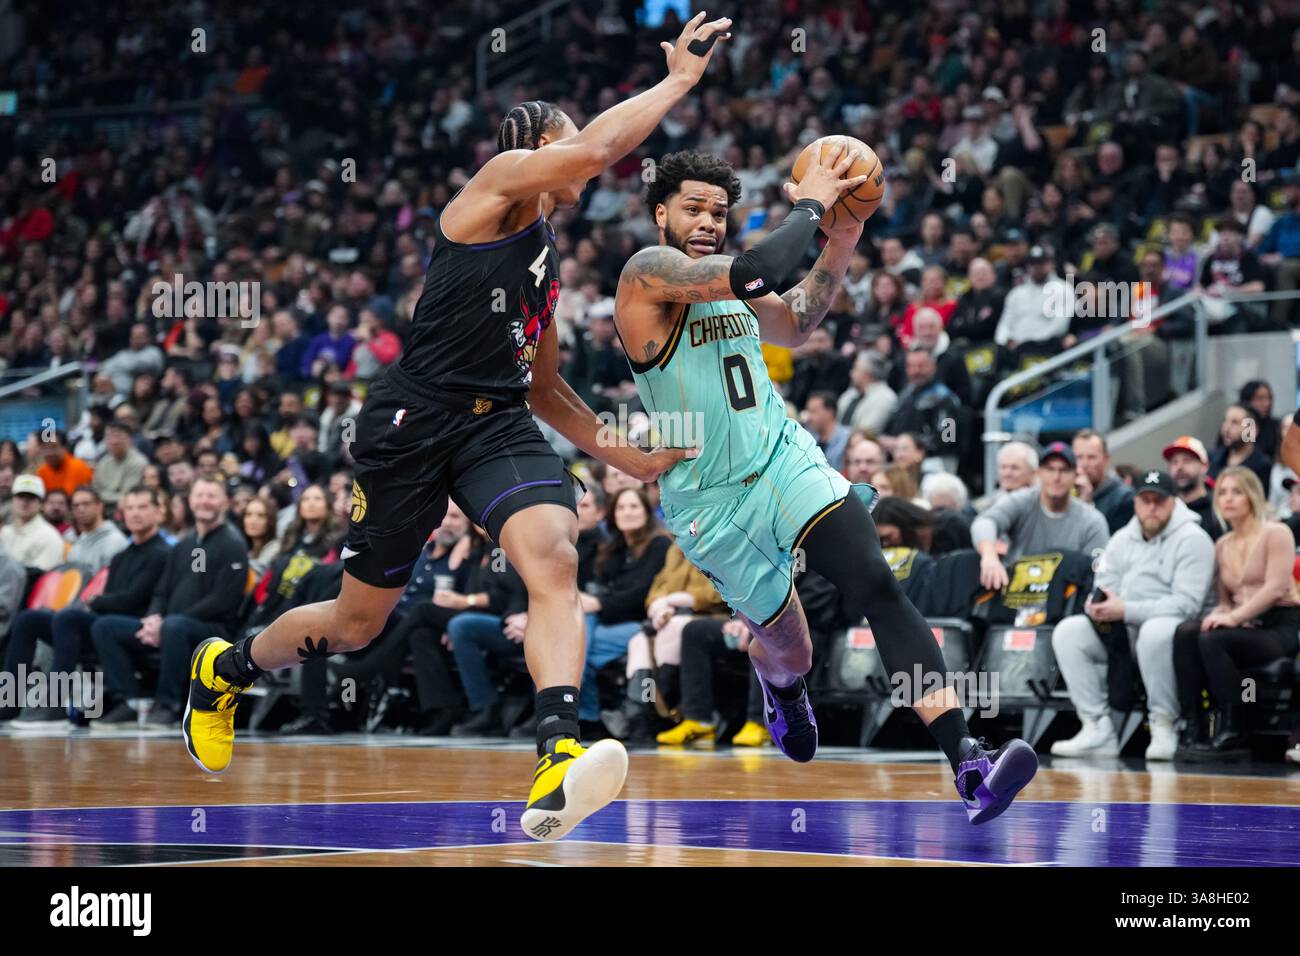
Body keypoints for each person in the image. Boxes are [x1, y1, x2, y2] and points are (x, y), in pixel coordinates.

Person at [182, 14, 731, 845]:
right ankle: (226, 666)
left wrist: (632, 458)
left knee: (553, 552)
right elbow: (589, 155)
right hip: (413, 419)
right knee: (357, 624)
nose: (583, 148)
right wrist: (678, 83)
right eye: (568, 137)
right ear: (536, 146)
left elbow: (545, 389)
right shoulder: (501, 183)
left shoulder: (544, 256)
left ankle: (556, 753)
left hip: (495, 426)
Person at [613, 146, 1037, 824]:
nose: (707, 220)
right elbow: (756, 273)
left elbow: (798, 321)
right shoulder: (647, 275)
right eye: (693, 207)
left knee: (875, 581)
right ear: (660, 212)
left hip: (783, 459)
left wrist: (843, 238)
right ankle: (782, 686)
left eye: (719, 211)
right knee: (791, 647)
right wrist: (811, 203)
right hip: (711, 503)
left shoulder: (730, 285)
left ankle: (967, 760)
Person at [1050, 471, 1215, 761]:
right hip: (1122, 625)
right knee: (1069, 631)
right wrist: (1097, 604)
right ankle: (1097, 727)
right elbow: (1105, 581)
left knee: (1154, 631)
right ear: (1135, 502)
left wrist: (1127, 609)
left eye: (1158, 501)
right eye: (1144, 500)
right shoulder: (1122, 538)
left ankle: (1164, 723)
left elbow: (1187, 604)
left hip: (1175, 630)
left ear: (1173, 502)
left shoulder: (1194, 539)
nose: (1151, 507)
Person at [2, 486, 170, 726]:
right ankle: (10, 701)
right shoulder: (123, 556)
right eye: (130, 508)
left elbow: (133, 598)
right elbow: (113, 598)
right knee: (29, 619)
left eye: (142, 507)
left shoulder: (162, 553)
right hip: (103, 624)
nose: (135, 514)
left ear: (158, 512)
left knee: (68, 618)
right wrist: (97, 603)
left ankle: (55, 704)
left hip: (135, 628)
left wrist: (95, 601)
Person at [1173, 467, 1300, 756]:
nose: (1228, 499)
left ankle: (1235, 726)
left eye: (1237, 492)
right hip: (1245, 625)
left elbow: (1277, 587)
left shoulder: (1276, 532)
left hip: (1279, 626)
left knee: (1213, 638)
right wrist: (1223, 614)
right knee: (1188, 632)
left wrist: (1232, 618)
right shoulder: (1221, 545)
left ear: (1252, 496)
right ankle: (1194, 725)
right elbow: (1224, 599)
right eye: (1223, 493)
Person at [972, 442, 1110, 590]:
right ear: (1038, 473)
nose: (1056, 477)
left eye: (1064, 470)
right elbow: (985, 522)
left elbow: (1098, 571)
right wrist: (989, 555)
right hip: (1017, 593)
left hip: (1065, 598)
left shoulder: (1092, 520)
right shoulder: (1023, 500)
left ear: (1075, 475)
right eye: (1050, 469)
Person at [1162, 435, 1226, 540]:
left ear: (1205, 466)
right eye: (1174, 462)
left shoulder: (1219, 509)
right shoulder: (1165, 509)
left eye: (1187, 460)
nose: (1179, 467)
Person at [1072, 429, 1135, 534]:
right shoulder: (1067, 492)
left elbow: (1110, 545)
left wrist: (1087, 504)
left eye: (1091, 457)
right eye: (1078, 457)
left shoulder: (1124, 498)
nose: (1084, 464)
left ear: (1106, 459)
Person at [0, 475, 65, 571]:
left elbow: (43, 579)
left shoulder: (49, 537)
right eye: (20, 496)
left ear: (41, 504)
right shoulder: (5, 532)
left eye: (31, 498)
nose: (24, 502)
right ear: (12, 500)